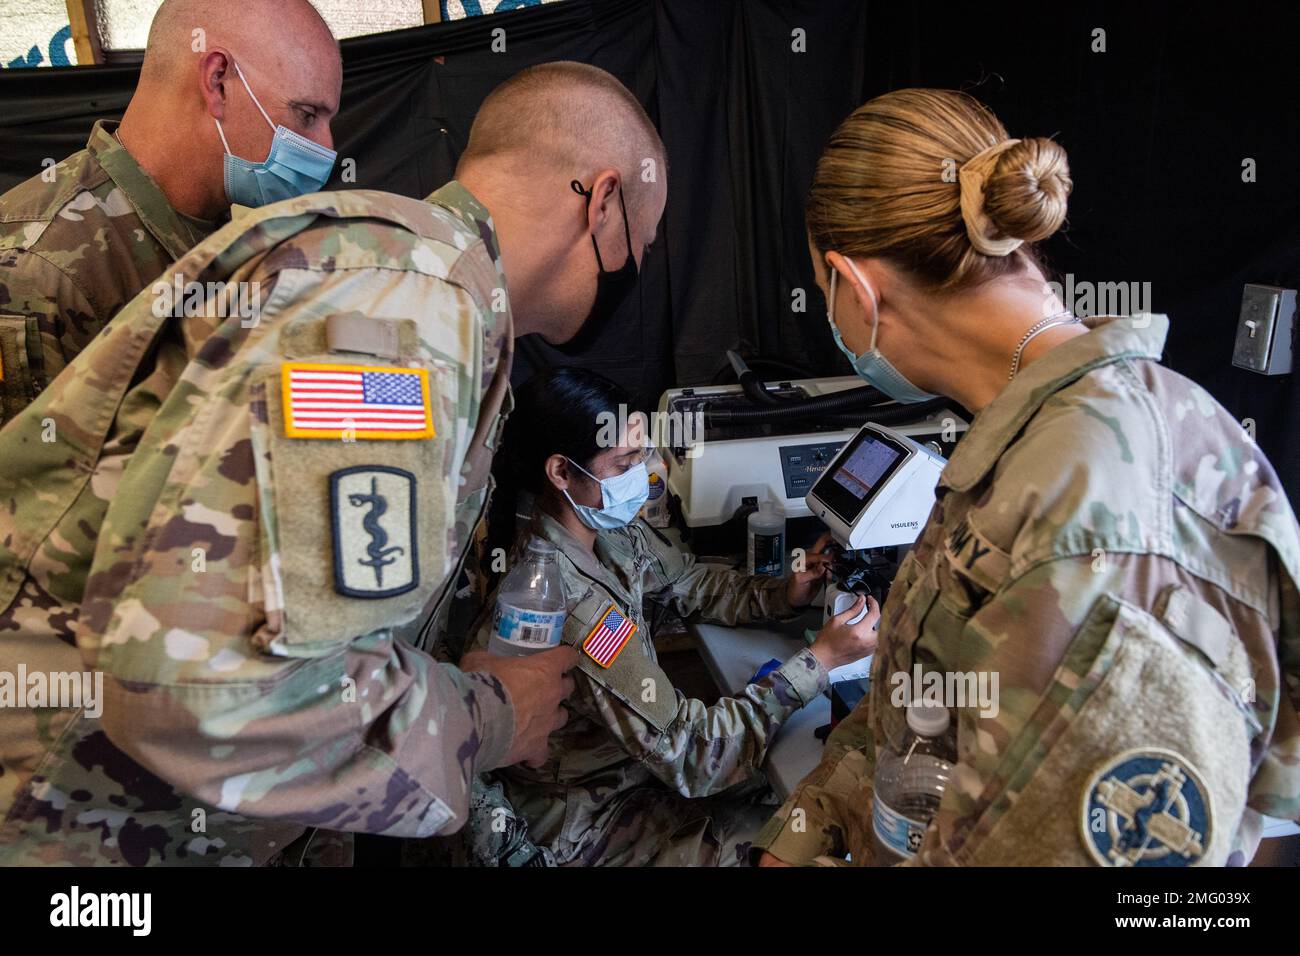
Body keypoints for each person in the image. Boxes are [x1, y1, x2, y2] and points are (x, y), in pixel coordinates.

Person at [0, 61, 665, 865]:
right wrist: (489, 716)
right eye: (644, 237)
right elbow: (213, 693)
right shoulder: (402, 308)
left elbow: (320, 616)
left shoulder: (418, 293)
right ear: (601, 202)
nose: (639, 266)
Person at [754, 88, 1300, 867]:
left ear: (855, 285)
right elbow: (910, 715)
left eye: (824, 294)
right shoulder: (1027, 447)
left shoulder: (1093, 515)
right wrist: (795, 844)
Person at [462, 367, 880, 866]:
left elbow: (689, 583)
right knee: (791, 847)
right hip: (588, 814)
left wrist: (784, 594)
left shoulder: (600, 533)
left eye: (643, 453)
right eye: (625, 461)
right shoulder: (570, 606)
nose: (642, 471)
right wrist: (819, 660)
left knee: (792, 795)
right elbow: (695, 755)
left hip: (630, 770)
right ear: (561, 472)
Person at [0, 0, 342, 425]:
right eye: (307, 115)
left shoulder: (237, 231)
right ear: (217, 82)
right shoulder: (39, 266)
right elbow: (27, 481)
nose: (326, 147)